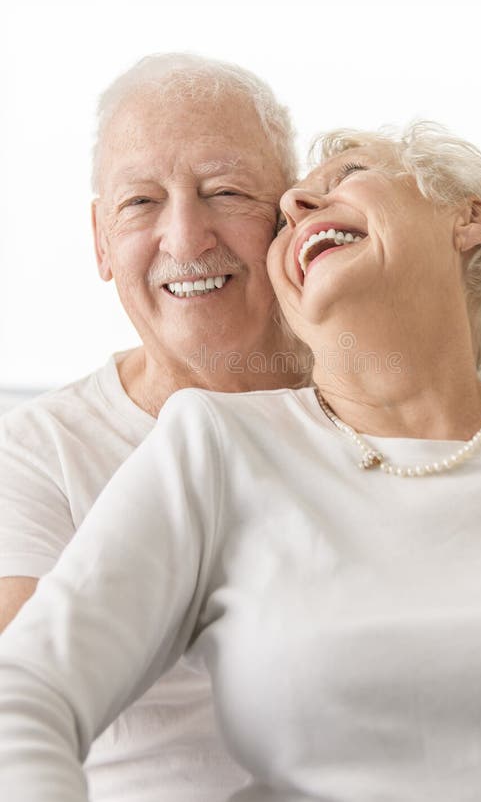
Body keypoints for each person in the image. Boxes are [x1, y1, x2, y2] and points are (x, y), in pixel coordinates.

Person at [1, 121, 481, 802]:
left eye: (345, 177)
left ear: (470, 216)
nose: (298, 208)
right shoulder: (219, 445)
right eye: (284, 217)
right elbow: (24, 686)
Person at [0, 53, 310, 801]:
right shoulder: (40, 452)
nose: (186, 236)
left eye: (226, 191)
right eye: (141, 202)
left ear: (290, 216)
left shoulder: (377, 407)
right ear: (102, 241)